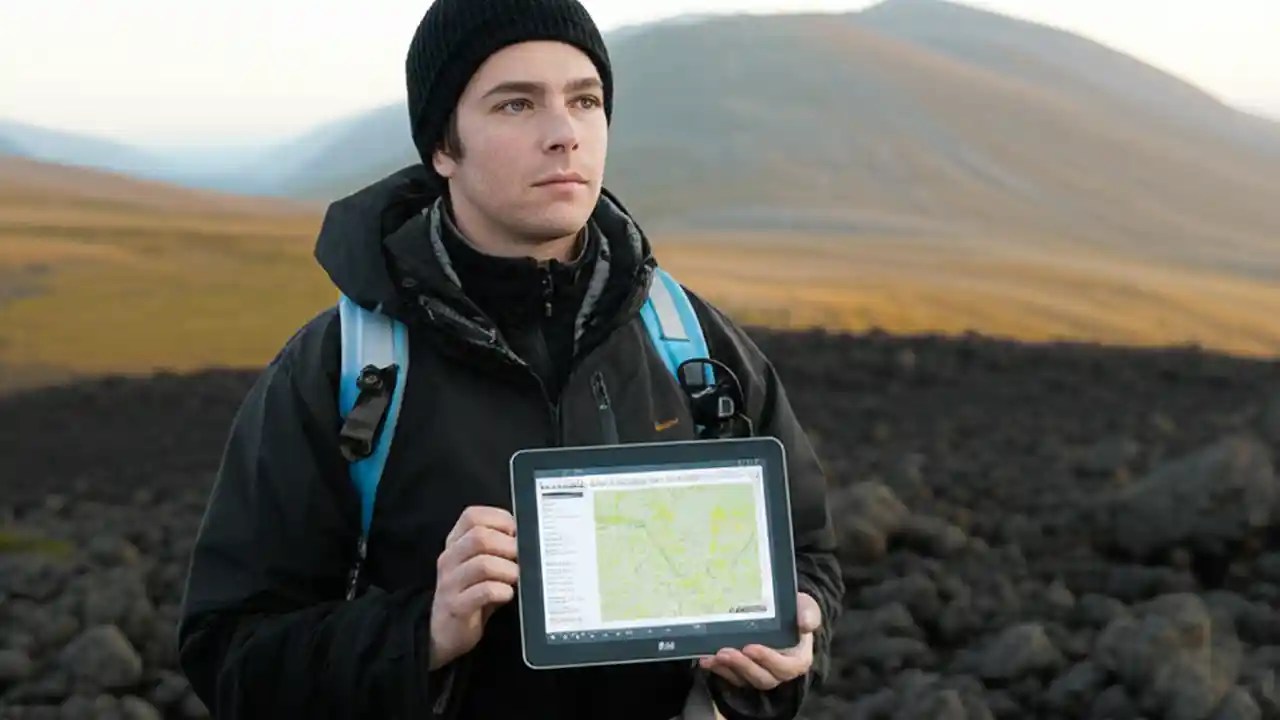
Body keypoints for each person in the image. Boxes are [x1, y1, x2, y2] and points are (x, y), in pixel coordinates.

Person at [176, 0, 844, 717]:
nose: (564, 135)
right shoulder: (346, 368)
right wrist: (422, 634)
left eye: (584, 100)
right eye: (516, 104)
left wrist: (793, 640)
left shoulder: (693, 344)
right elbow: (230, 651)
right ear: (442, 146)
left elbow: (808, 560)